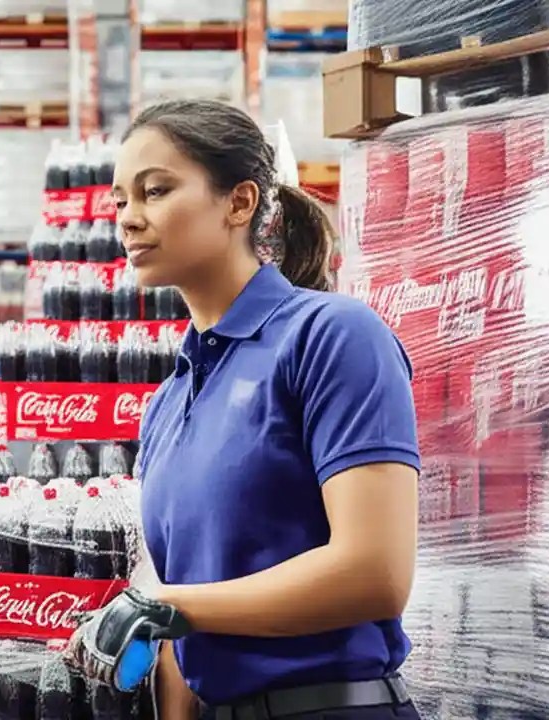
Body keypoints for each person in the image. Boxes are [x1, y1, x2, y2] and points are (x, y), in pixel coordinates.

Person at [68, 99, 422, 720]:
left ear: (240, 202)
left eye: (155, 191)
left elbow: (376, 573)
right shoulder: (169, 400)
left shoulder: (332, 335)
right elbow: (178, 631)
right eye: (121, 200)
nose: (128, 219)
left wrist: (168, 605)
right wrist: (166, 617)